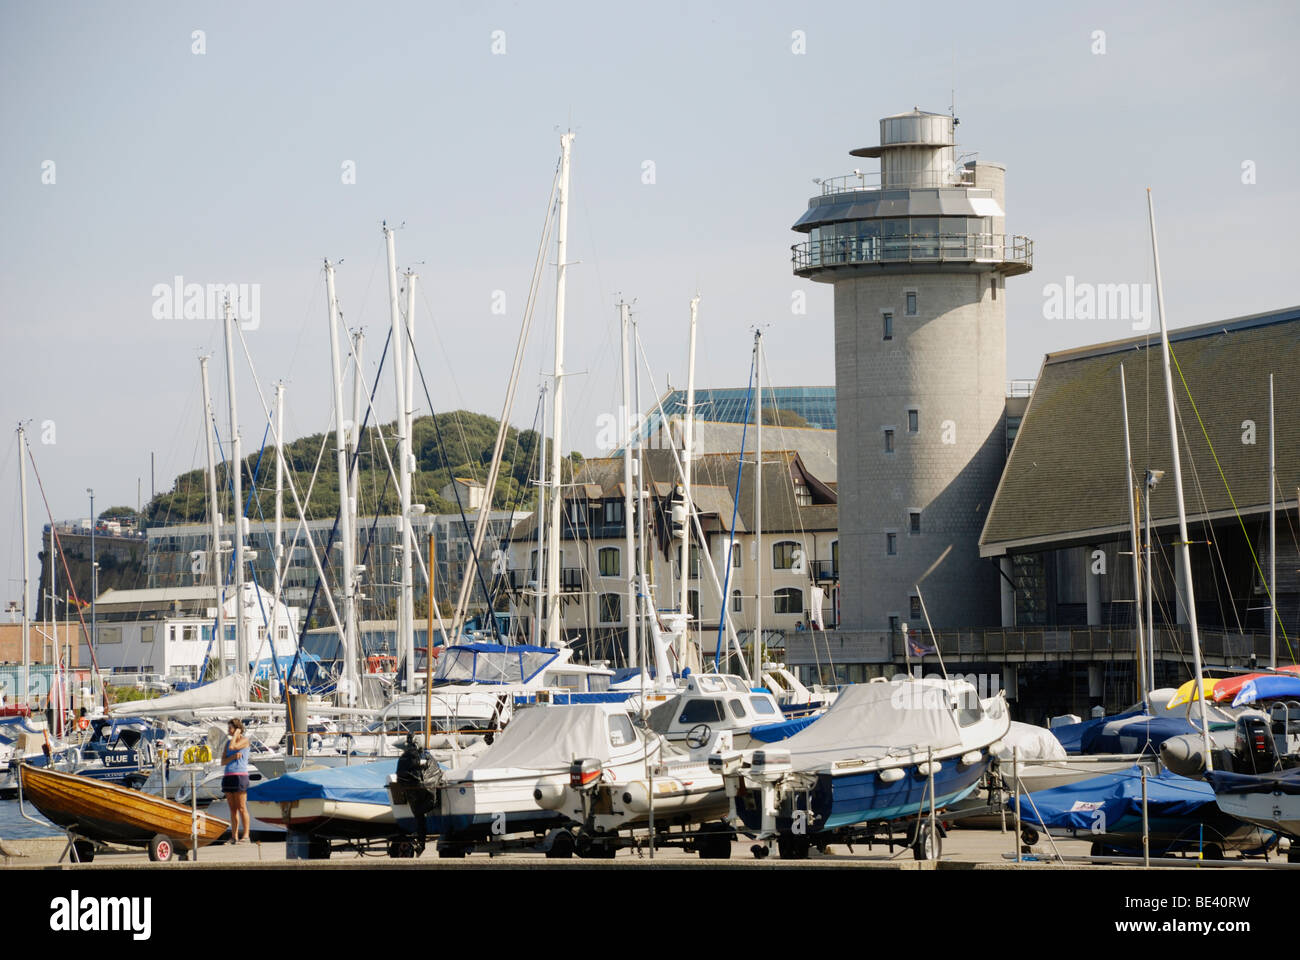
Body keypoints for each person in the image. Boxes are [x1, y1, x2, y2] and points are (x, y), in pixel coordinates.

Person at [221, 718, 251, 844]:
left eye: (231, 728)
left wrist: (238, 734)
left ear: (237, 729)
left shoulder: (244, 741)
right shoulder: (227, 743)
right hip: (229, 775)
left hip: (240, 775)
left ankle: (246, 835)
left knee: (242, 807)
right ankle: (234, 836)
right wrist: (232, 756)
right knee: (232, 809)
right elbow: (223, 761)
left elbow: (234, 746)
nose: (228, 730)